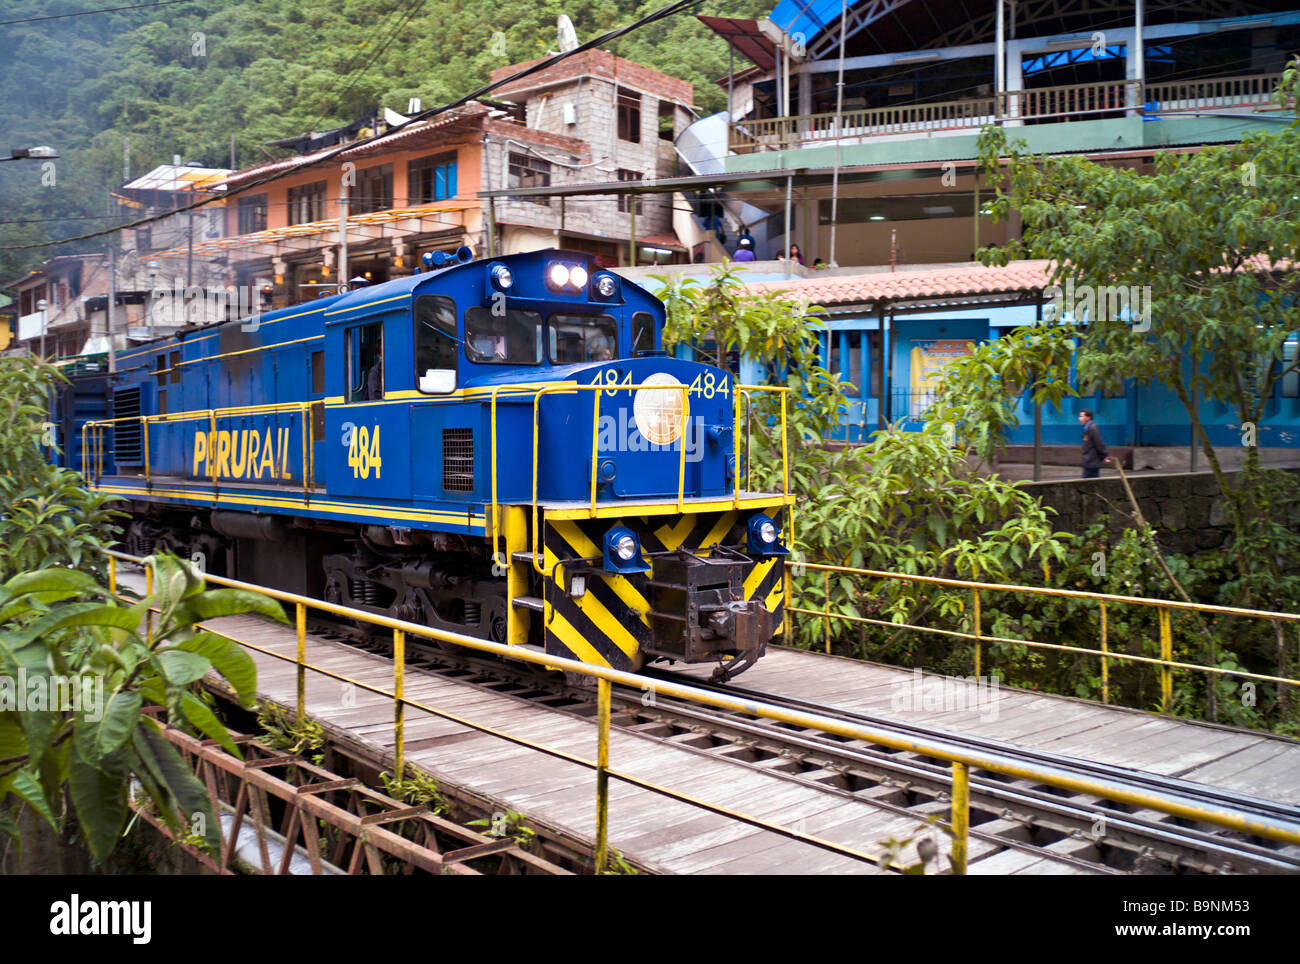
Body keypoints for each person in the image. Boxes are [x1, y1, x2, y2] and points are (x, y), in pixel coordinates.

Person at [1079, 409, 1111, 478]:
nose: (1079, 418)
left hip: (1092, 460)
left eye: (1081, 416)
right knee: (1092, 480)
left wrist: (1105, 455)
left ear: (1088, 417)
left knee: (1086, 481)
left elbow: (1099, 443)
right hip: (1089, 460)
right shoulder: (1087, 428)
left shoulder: (1092, 428)